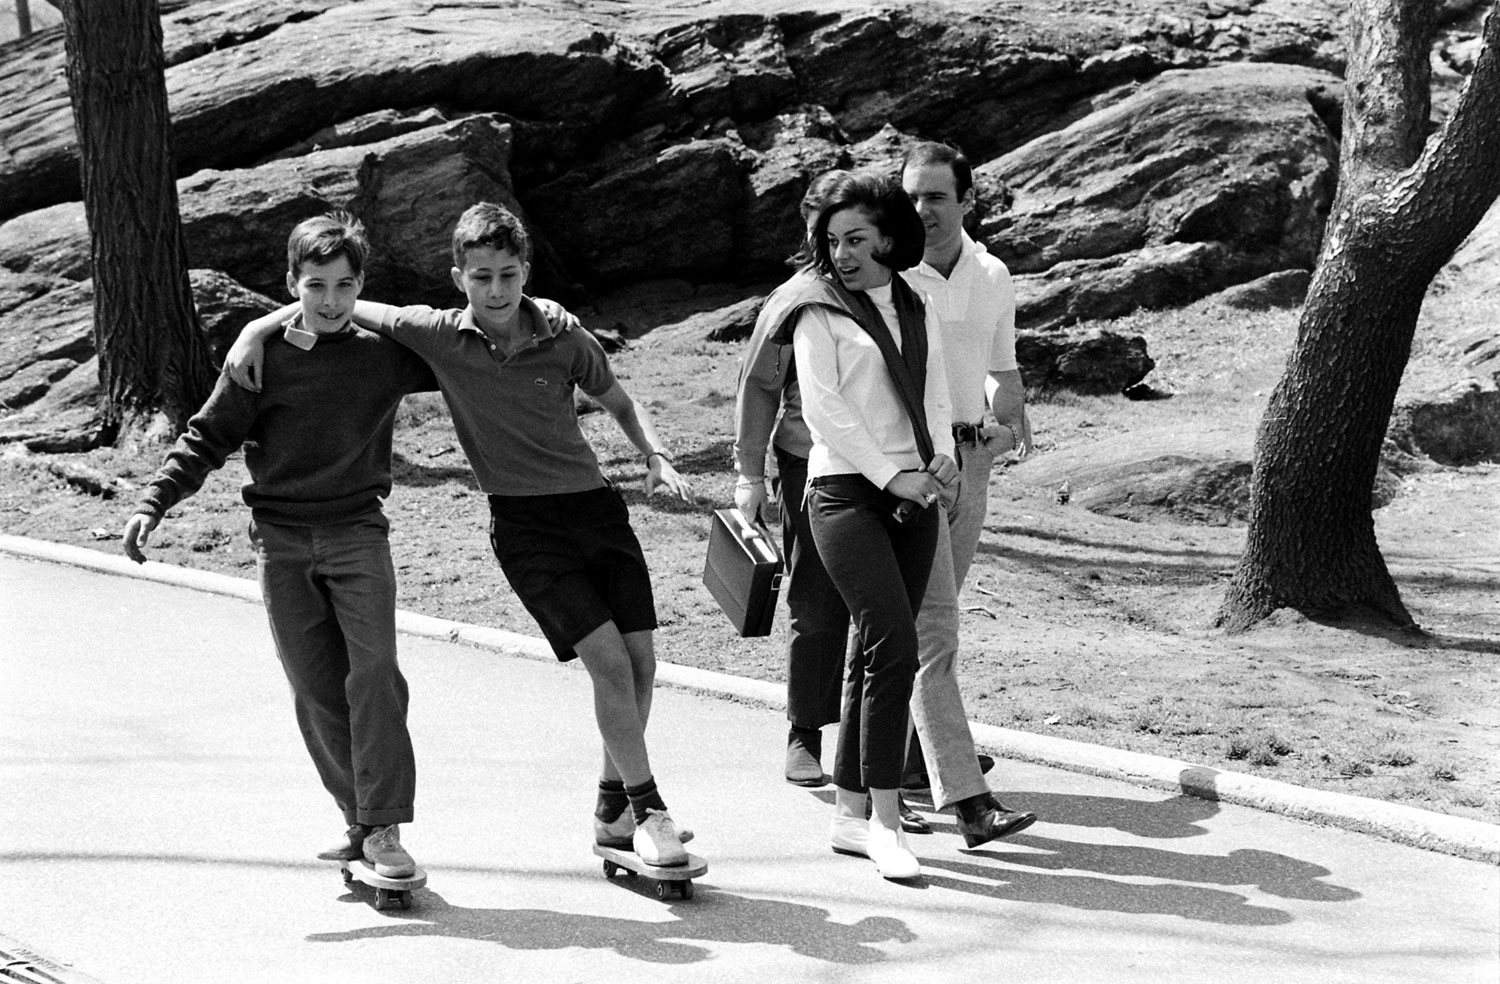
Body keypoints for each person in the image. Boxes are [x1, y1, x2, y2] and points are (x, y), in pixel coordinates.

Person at [226, 202, 699, 867]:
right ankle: (652, 809)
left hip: (597, 510)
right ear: (458, 277)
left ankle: (612, 807)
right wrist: (256, 328)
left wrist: (654, 456)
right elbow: (339, 300)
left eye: (509, 274)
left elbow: (619, 399)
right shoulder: (438, 334)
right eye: (482, 276)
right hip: (526, 525)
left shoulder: (563, 334)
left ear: (526, 271)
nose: (497, 290)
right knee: (610, 663)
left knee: (642, 664)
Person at [123, 211, 435, 879]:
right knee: (315, 689)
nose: (330, 301)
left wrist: (543, 321)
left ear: (361, 286)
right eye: (315, 285)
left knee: (376, 675)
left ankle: (384, 830)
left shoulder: (386, 356)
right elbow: (207, 437)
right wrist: (154, 502)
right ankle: (358, 818)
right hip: (282, 543)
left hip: (358, 533)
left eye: (345, 285)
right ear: (291, 283)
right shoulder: (262, 361)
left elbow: (460, 339)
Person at [766, 170, 958, 879]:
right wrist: (892, 474)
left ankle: (849, 814)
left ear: (887, 237)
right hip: (844, 491)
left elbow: (934, 388)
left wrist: (938, 463)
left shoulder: (918, 300)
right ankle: (884, 822)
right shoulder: (819, 310)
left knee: (871, 656)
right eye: (831, 240)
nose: (841, 253)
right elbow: (825, 412)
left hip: (915, 490)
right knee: (893, 644)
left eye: (855, 239)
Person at [898, 141, 1038, 846]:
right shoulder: (890, 274)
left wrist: (1006, 431)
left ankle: (888, 761)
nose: (921, 210)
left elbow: (1002, 373)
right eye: (912, 197)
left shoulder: (992, 273)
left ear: (966, 201)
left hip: (970, 462)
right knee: (934, 634)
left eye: (935, 197)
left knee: (924, 622)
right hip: (912, 471)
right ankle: (967, 798)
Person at [732, 170, 849, 788]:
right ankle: (804, 733)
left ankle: (904, 743)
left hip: (889, 466)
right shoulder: (793, 298)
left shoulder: (892, 290)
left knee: (896, 610)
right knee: (817, 600)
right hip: (810, 464)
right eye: (824, 230)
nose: (838, 247)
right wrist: (749, 475)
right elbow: (759, 385)